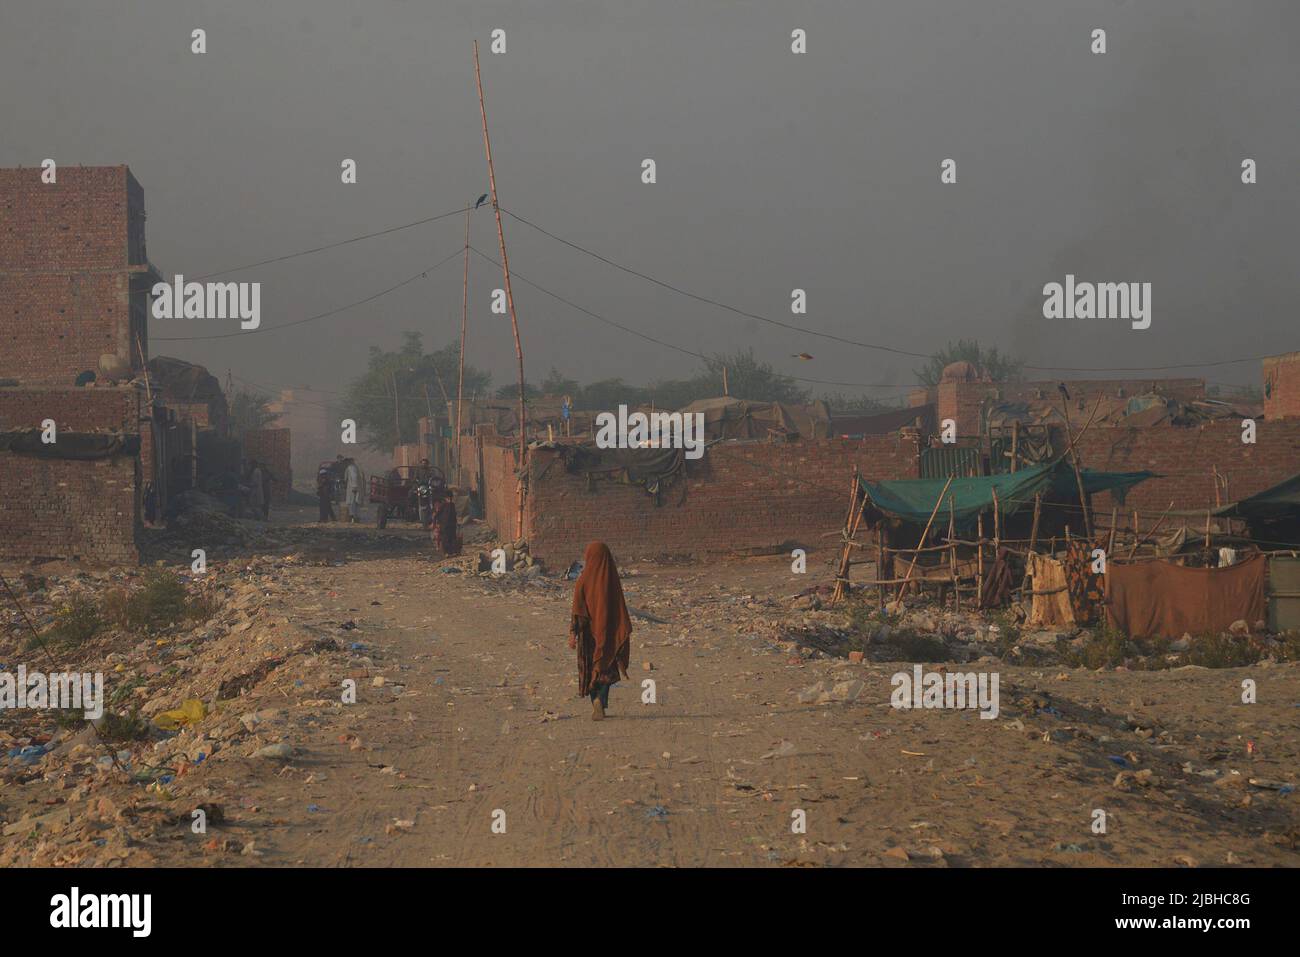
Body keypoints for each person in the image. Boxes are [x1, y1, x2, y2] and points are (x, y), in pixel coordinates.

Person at [568, 541, 632, 720]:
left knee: (590, 670)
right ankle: (601, 702)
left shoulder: (583, 580)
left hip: (589, 636)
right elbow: (620, 610)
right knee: (606, 669)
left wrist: (573, 634)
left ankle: (595, 700)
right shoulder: (612, 582)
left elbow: (577, 611)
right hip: (609, 635)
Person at [431, 492, 460, 556]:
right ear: (445, 498)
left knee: (452, 538)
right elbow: (437, 515)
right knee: (445, 538)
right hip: (445, 525)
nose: (449, 499)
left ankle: (452, 551)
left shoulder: (452, 505)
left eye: (450, 498)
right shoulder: (443, 505)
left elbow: (454, 515)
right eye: (448, 498)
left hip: (452, 525)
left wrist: (456, 523)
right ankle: (446, 552)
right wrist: (435, 524)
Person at [343, 458, 363, 523]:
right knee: (355, 503)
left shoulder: (351, 468)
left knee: (352, 503)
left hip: (353, 488)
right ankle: (356, 518)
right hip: (356, 487)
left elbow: (354, 476)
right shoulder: (356, 467)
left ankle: (353, 518)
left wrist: (354, 487)